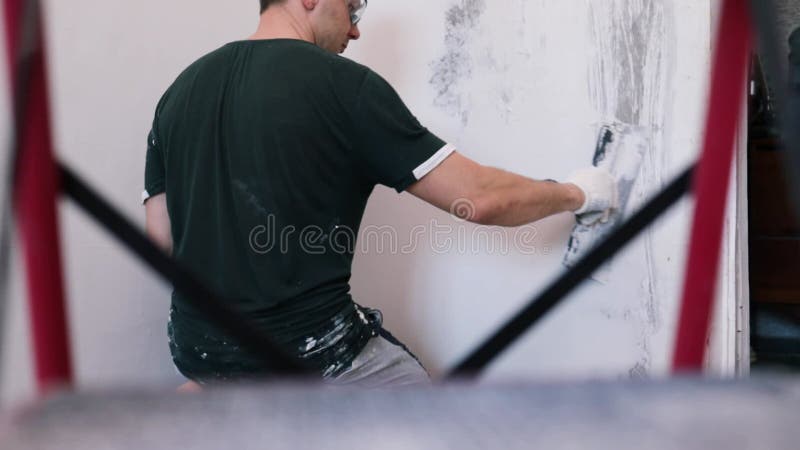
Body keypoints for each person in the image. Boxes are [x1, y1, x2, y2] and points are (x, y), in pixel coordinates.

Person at [142, 0, 617, 390]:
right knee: (427, 410)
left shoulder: (178, 92)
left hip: (199, 353)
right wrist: (578, 193)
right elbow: (481, 198)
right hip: (310, 356)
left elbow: (162, 239)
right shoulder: (342, 85)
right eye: (353, 8)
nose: (355, 32)